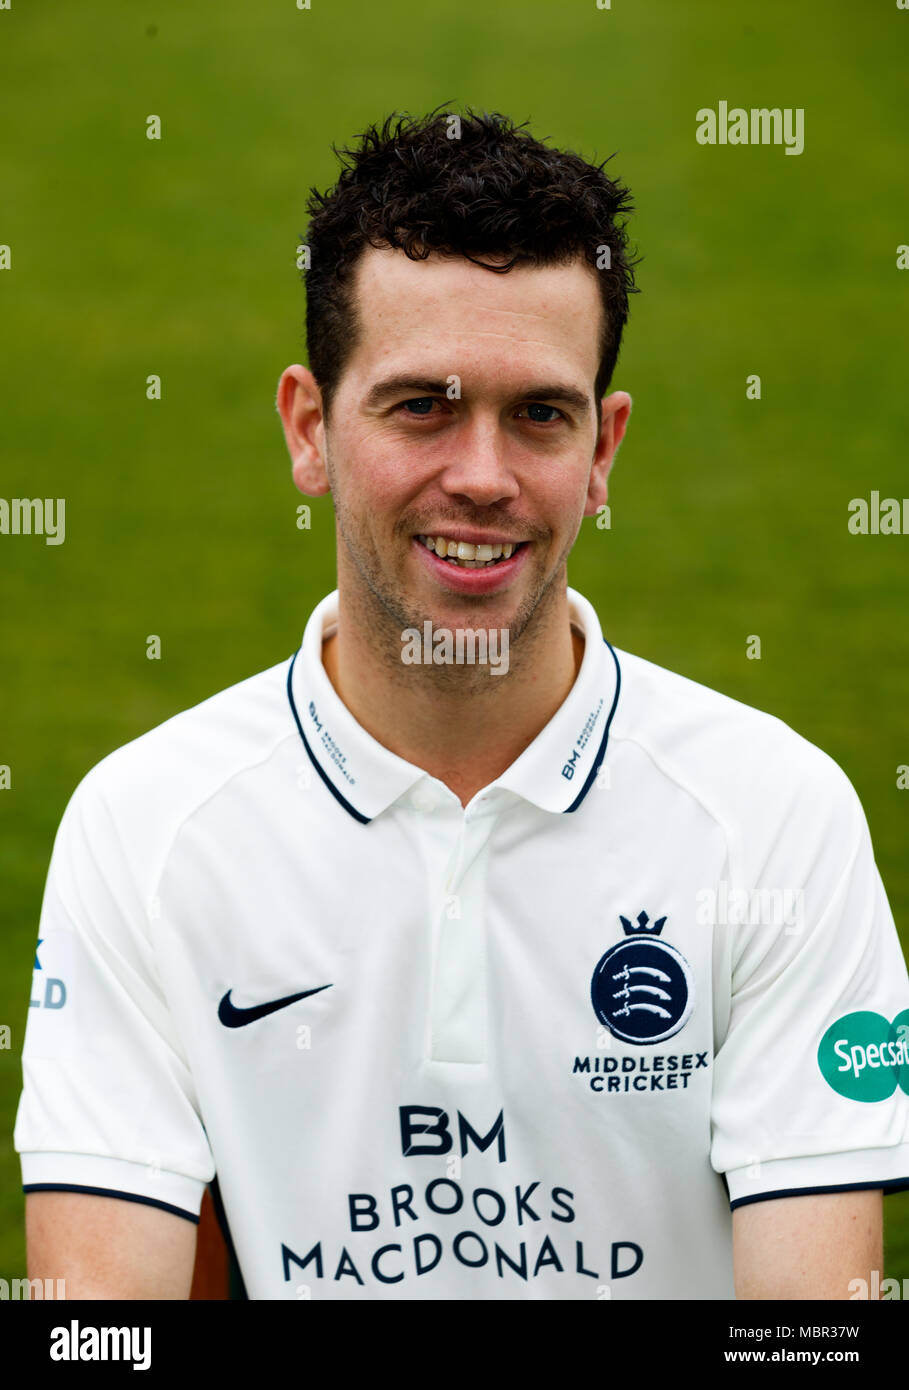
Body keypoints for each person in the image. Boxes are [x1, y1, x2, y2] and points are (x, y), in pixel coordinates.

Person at [16, 109, 909, 1301]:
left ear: (603, 450)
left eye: (539, 414)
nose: (483, 478)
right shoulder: (145, 828)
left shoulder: (777, 817)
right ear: (308, 429)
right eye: (422, 408)